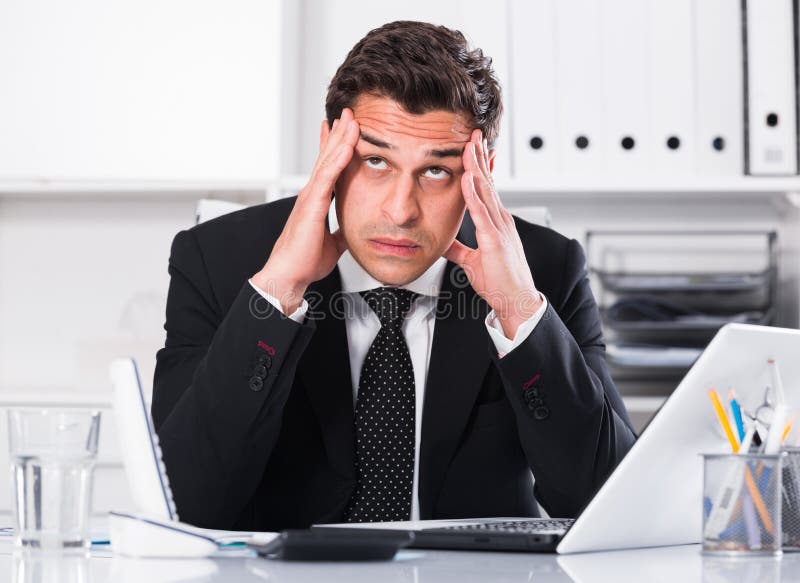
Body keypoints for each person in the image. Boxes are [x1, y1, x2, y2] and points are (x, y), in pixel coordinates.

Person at [152, 20, 636, 531]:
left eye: (436, 171)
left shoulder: (545, 271)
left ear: (482, 174)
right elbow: (184, 506)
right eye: (375, 161)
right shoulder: (218, 261)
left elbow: (611, 509)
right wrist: (279, 292)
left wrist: (519, 312)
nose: (401, 211)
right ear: (331, 149)